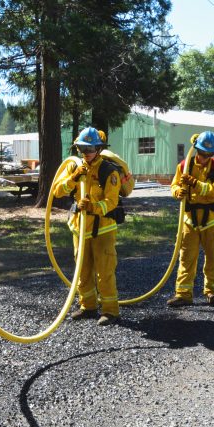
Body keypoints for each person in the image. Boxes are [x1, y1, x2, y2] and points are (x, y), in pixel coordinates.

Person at [53, 127, 121, 326]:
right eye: (82, 148)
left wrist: (93, 206)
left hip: (103, 229)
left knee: (104, 270)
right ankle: (88, 306)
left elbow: (112, 201)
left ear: (99, 149)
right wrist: (74, 178)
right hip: (80, 227)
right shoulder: (74, 167)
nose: (86, 153)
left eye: (90, 148)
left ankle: (110, 311)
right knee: (82, 269)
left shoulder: (109, 171)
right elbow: (57, 191)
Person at [167, 131, 214, 306]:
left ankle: (213, 291)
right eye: (202, 153)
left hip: (212, 221)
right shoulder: (184, 166)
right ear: (196, 150)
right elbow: (174, 185)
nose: (205, 157)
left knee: (212, 258)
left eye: (209, 154)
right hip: (189, 221)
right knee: (186, 258)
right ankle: (183, 294)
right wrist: (178, 192)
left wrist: (195, 183)